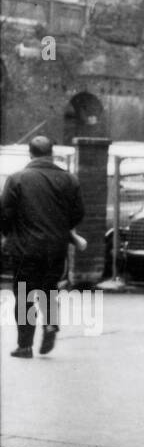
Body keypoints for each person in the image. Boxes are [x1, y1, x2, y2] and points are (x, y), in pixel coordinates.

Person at [0, 136, 85, 357]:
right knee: (49, 288)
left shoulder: (17, 179)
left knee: (24, 295)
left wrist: (10, 234)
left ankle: (25, 345)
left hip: (25, 248)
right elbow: (78, 214)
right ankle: (50, 324)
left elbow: (5, 215)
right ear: (51, 153)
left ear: (30, 153)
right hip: (56, 248)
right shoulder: (70, 180)